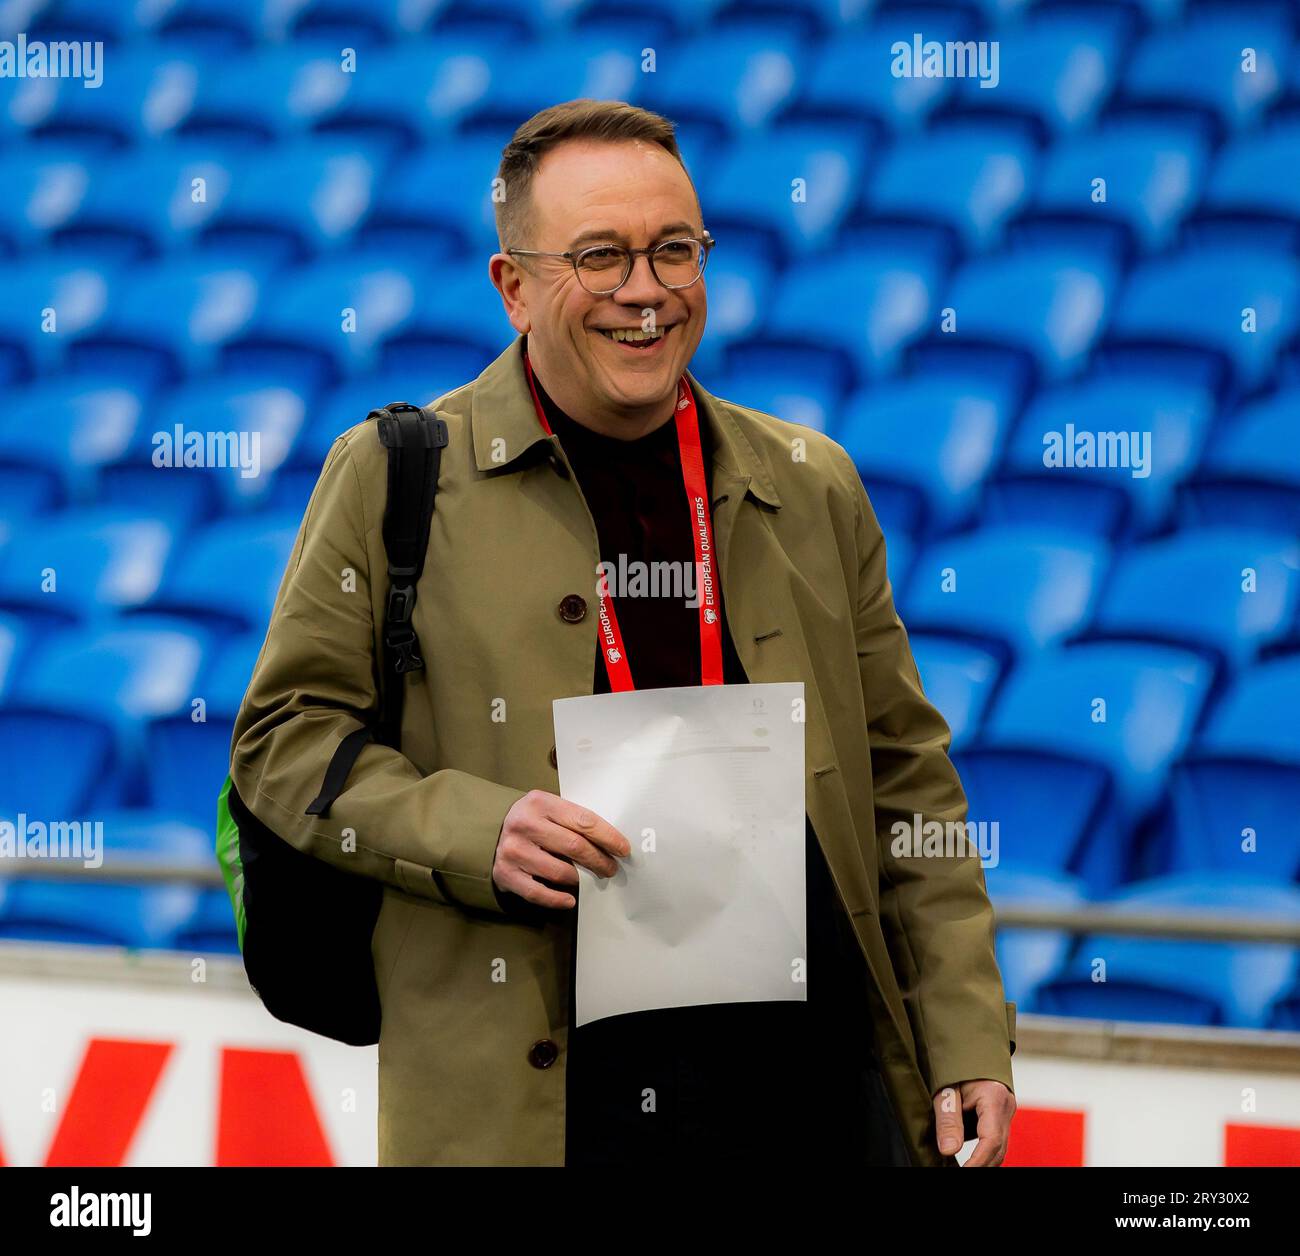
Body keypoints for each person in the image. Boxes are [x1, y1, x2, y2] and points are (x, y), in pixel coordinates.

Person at [230, 98, 1017, 1167]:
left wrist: (965, 1031)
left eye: (674, 250)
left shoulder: (809, 481)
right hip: (544, 1099)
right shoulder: (392, 474)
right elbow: (280, 742)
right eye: (598, 256)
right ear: (512, 286)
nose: (644, 292)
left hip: (806, 1094)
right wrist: (479, 829)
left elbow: (906, 781)